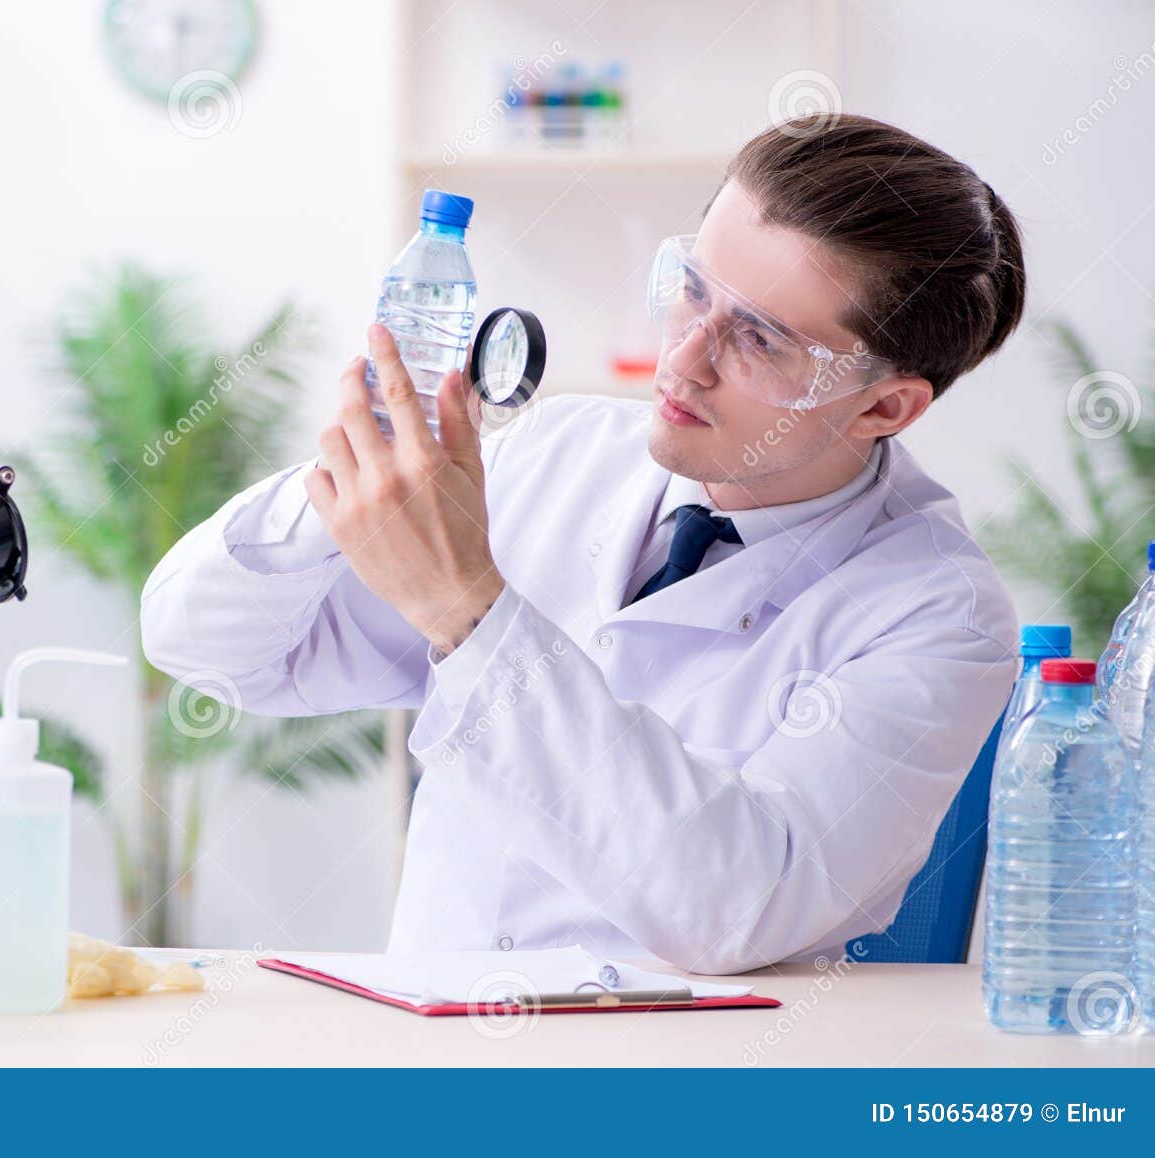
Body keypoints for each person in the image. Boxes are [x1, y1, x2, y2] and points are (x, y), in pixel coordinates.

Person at [141, 114, 1025, 974]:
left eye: (758, 338)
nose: (682, 359)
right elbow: (209, 649)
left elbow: (737, 905)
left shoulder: (940, 612)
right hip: (430, 1054)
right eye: (691, 288)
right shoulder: (557, 451)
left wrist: (469, 612)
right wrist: (355, 480)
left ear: (883, 406)